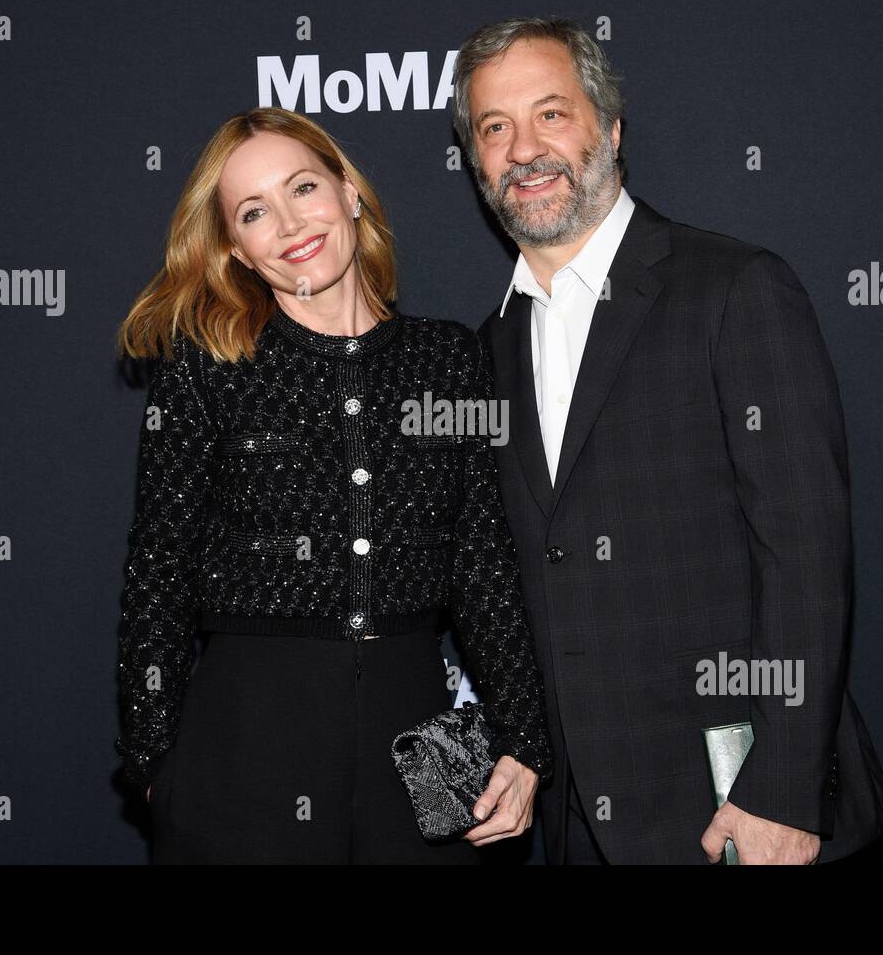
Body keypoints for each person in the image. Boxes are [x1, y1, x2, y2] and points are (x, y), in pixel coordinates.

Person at [452, 17, 883, 864]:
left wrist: (780, 790)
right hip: (578, 824)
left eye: (551, 114)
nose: (523, 148)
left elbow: (804, 555)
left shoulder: (732, 289)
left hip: (735, 811)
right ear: (477, 163)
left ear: (611, 130)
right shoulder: (490, 348)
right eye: (494, 127)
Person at [112, 107, 553, 863]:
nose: (288, 224)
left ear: (350, 193)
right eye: (255, 212)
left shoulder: (449, 361)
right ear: (239, 251)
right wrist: (160, 767)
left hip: (422, 745)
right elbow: (158, 576)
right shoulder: (205, 369)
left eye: (304, 188)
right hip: (244, 746)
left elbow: (483, 564)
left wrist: (522, 741)